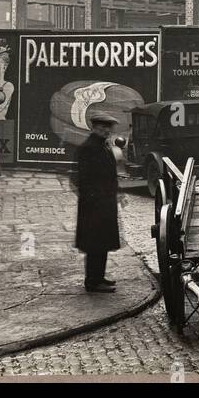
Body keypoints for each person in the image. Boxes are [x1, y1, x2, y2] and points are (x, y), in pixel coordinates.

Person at [75, 111, 121, 293]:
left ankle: (99, 277)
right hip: (95, 205)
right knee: (94, 243)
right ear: (93, 128)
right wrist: (96, 200)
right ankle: (92, 282)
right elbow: (84, 179)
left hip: (104, 202)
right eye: (102, 128)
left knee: (102, 242)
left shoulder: (102, 145)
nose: (106, 131)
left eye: (108, 128)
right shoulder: (89, 148)